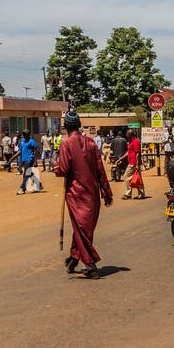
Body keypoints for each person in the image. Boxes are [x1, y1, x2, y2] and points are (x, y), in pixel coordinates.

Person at [53, 110, 113, 278]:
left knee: (82, 229)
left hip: (76, 193)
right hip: (92, 192)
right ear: (79, 125)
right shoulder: (91, 143)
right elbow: (100, 170)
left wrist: (55, 167)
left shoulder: (66, 143)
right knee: (83, 229)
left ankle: (90, 264)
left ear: (66, 126)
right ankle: (74, 258)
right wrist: (106, 191)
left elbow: (64, 169)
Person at [122, 131, 142, 199]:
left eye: (127, 133)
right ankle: (141, 194)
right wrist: (120, 159)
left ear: (131, 134)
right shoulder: (131, 141)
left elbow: (137, 153)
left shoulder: (136, 141)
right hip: (131, 162)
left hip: (133, 163)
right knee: (137, 178)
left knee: (126, 176)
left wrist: (136, 164)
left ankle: (128, 193)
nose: (126, 135)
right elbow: (128, 152)